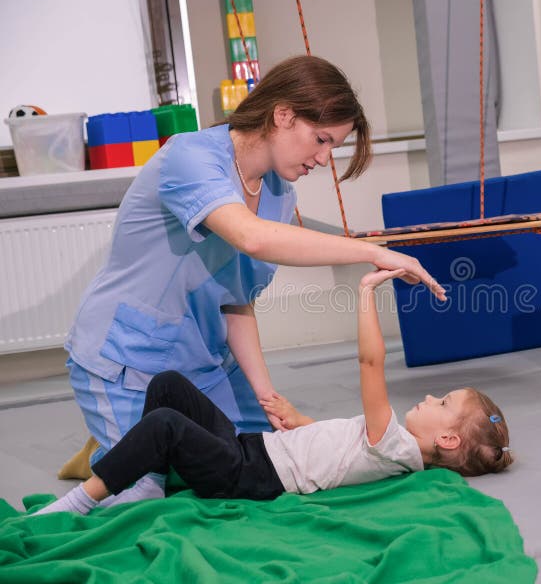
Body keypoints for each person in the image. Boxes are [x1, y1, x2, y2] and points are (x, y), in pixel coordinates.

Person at [63, 55, 446, 507]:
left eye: (333, 147)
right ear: (283, 114)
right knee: (144, 499)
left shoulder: (280, 194)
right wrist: (369, 251)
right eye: (321, 140)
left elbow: (237, 302)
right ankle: (111, 439)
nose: (324, 159)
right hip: (125, 359)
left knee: (259, 463)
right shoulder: (189, 157)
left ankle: (122, 440)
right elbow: (253, 239)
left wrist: (267, 395)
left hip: (202, 363)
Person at [34, 269, 510, 516]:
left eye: (442, 404)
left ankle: (84, 499)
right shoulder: (388, 444)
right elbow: (338, 449)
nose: (429, 399)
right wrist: (298, 419)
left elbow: (370, 363)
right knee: (167, 386)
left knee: (164, 425)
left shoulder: (395, 442)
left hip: (248, 475)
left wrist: (367, 291)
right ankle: (152, 486)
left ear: (447, 441)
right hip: (253, 449)